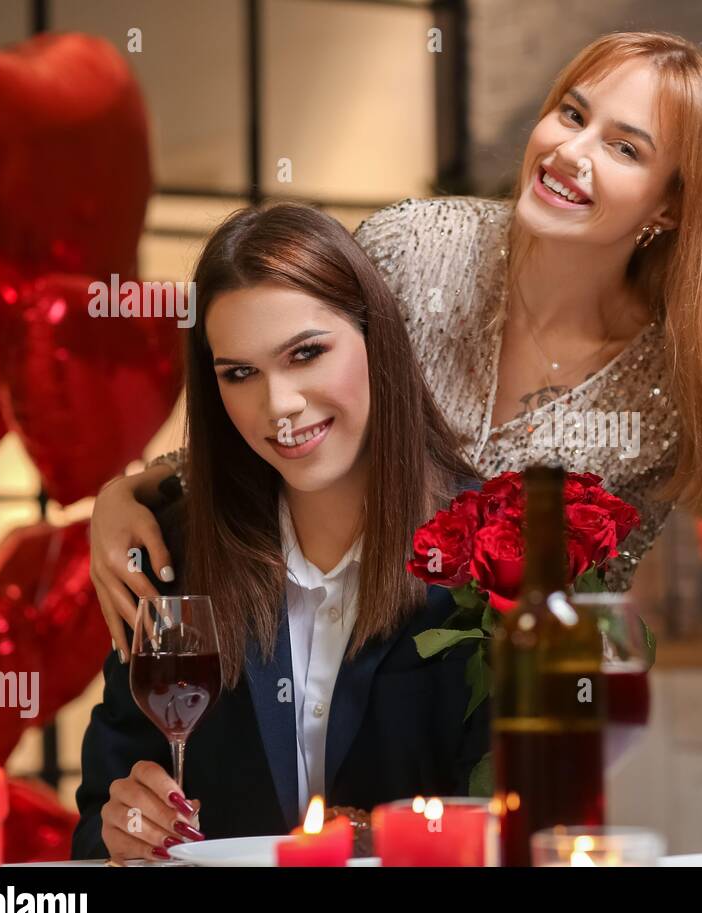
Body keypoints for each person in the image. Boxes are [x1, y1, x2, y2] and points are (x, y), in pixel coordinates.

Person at [88, 31, 702, 656]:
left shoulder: (663, 395)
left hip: (475, 713)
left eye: (625, 148)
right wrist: (131, 495)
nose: (572, 154)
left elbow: (586, 612)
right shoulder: (415, 244)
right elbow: (284, 398)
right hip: (311, 643)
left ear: (669, 205)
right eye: (573, 115)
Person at [72, 203, 484, 862]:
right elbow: (97, 824)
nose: (279, 405)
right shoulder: (169, 556)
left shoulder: (490, 556)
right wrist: (125, 833)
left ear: (376, 339)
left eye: (307, 354)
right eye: (240, 373)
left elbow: (529, 821)